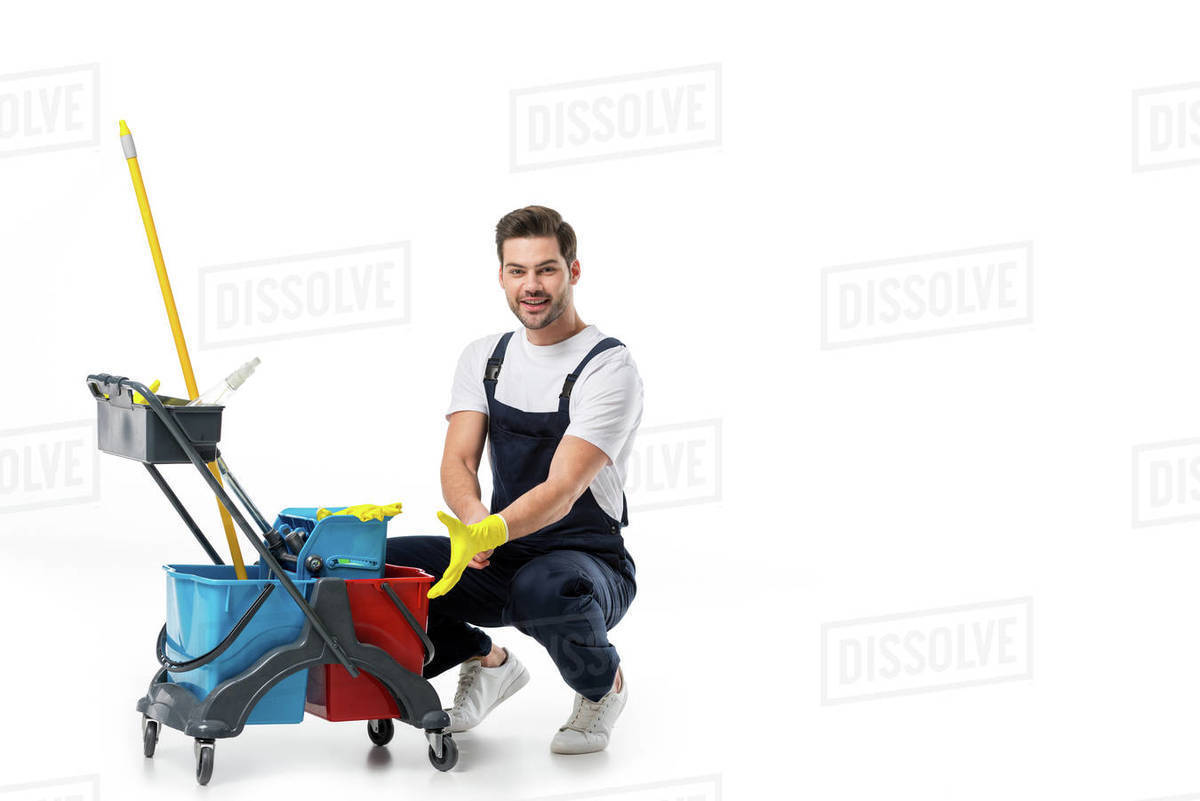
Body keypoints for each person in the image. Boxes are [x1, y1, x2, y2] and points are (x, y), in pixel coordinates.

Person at [385, 205, 643, 755]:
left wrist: (493, 530)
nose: (532, 285)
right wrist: (474, 522)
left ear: (573, 271)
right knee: (377, 570)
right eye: (518, 270)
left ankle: (604, 686)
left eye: (547, 269)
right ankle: (489, 662)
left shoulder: (608, 366)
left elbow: (564, 488)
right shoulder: (486, 357)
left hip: (587, 562)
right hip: (500, 550)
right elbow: (458, 461)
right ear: (501, 276)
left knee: (542, 587)